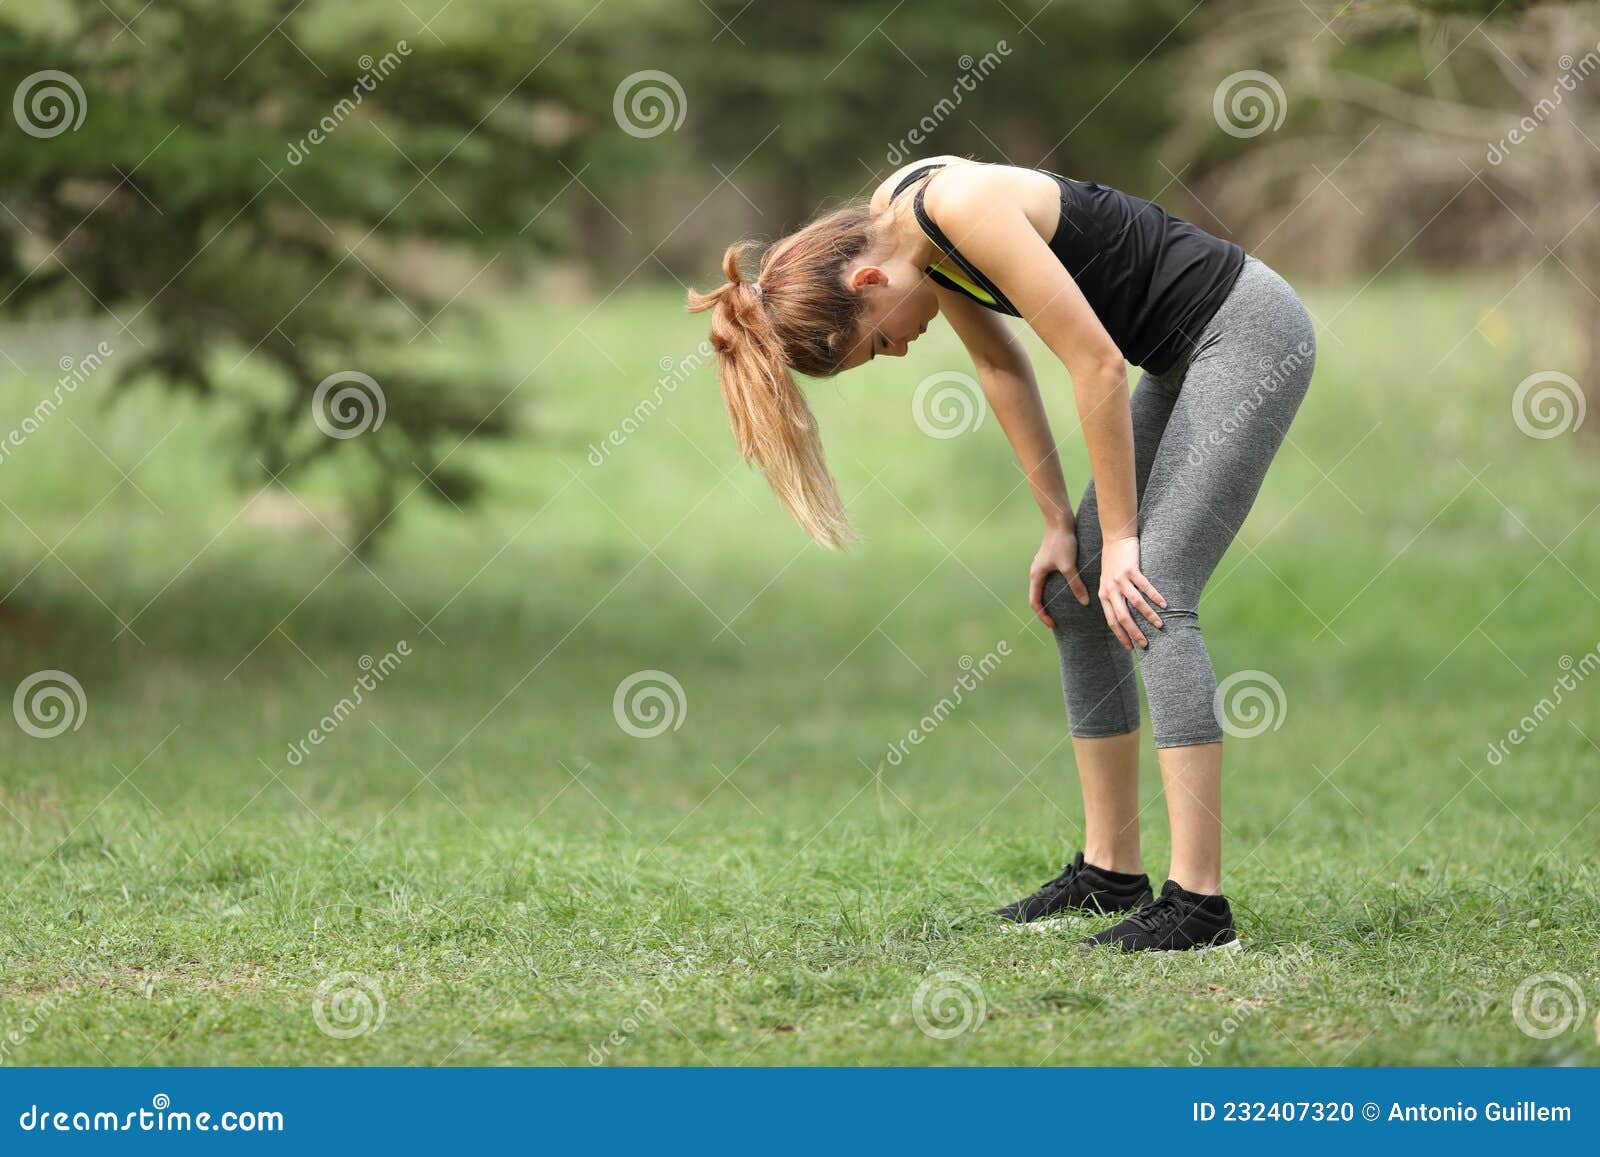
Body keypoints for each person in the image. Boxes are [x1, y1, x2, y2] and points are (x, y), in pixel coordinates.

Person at [687, 156, 1316, 953]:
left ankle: (1199, 905)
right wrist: (1062, 523)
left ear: (871, 280)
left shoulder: (956, 205)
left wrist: (1122, 540)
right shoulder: (907, 229)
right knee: (1075, 592)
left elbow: (1094, 362)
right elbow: (999, 363)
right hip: (1178, 354)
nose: (901, 352)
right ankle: (1110, 869)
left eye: (878, 344)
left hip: (1246, 333)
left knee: (1150, 589)